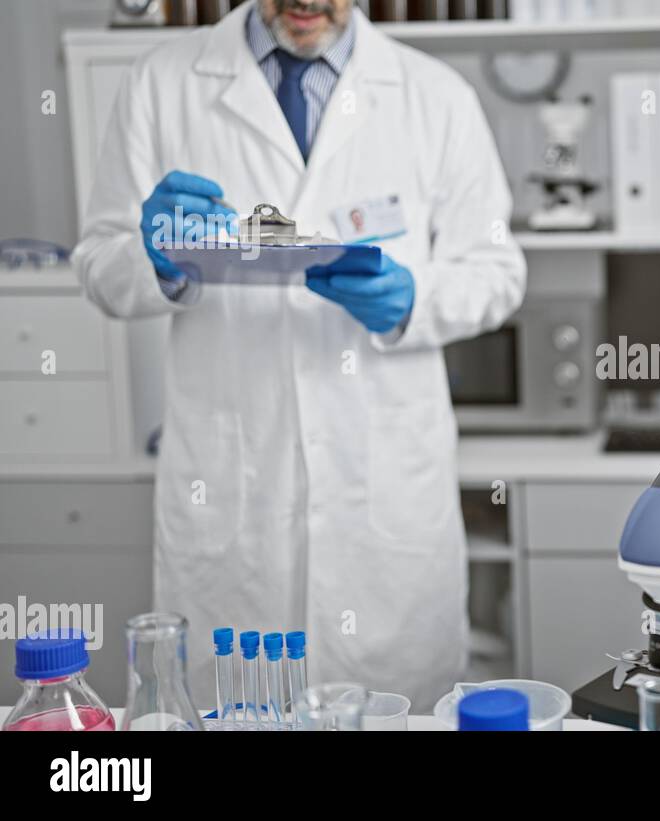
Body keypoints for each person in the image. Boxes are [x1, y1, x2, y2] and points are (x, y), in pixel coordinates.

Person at [72, 0, 525, 712]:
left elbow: (499, 272)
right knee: (233, 712)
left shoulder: (435, 95)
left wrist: (412, 299)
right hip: (233, 489)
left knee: (393, 714)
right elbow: (99, 265)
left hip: (383, 496)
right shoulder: (161, 83)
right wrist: (153, 256)